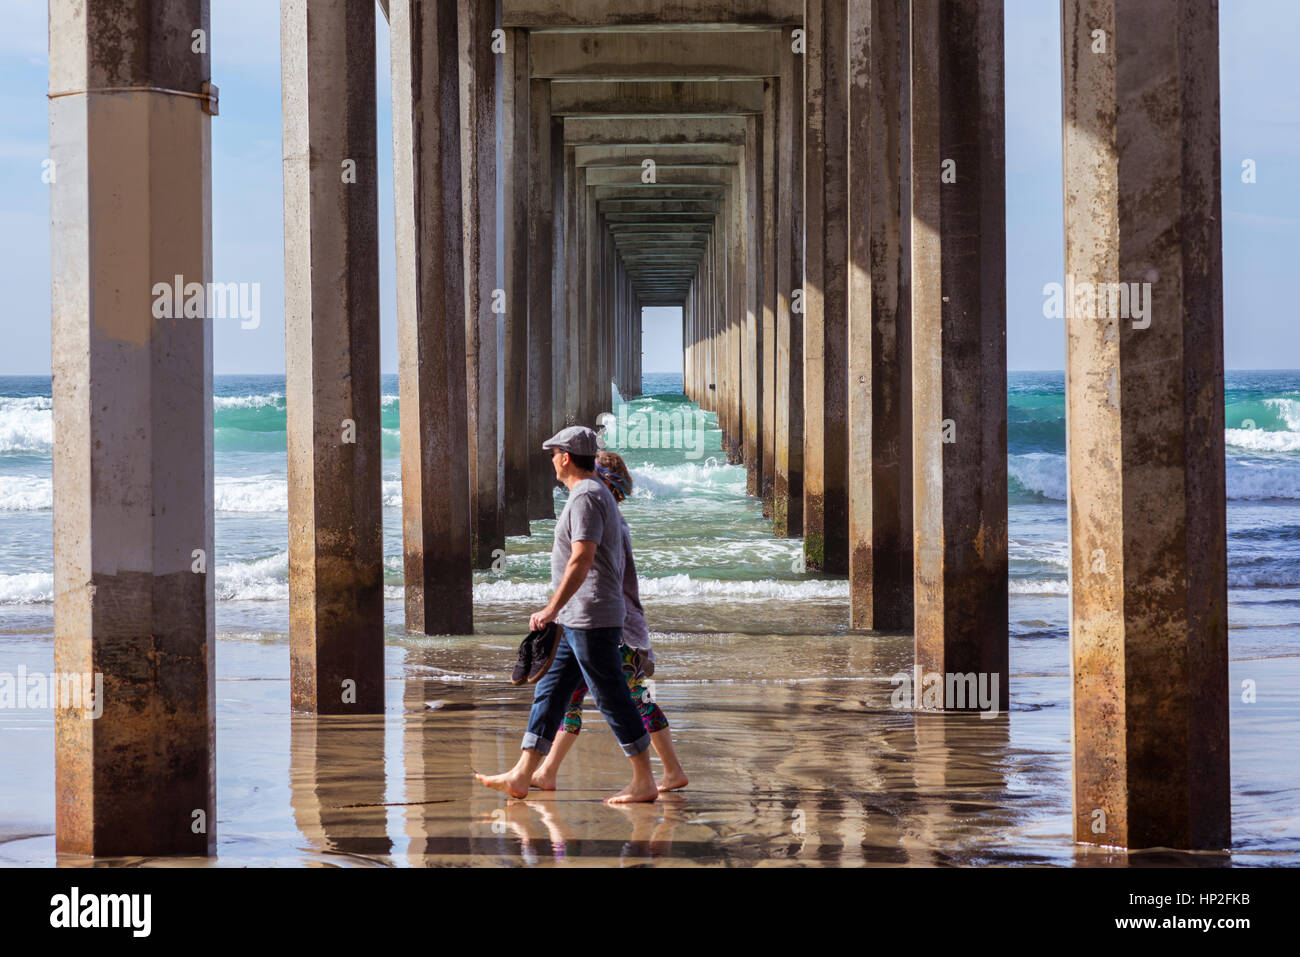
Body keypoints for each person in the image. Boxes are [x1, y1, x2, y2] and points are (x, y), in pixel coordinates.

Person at [475, 426, 659, 804]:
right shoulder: (588, 494)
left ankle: (645, 780)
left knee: (612, 697)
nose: (551, 460)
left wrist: (550, 608)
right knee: (551, 690)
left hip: (590, 617)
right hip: (577, 618)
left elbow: (582, 557)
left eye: (553, 452)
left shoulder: (586, 496)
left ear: (565, 457)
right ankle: (523, 775)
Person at [531, 450, 688, 793]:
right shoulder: (610, 515)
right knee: (580, 696)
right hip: (606, 624)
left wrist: (559, 608)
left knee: (631, 699)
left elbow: (595, 574)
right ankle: (546, 772)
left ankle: (670, 771)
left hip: (614, 629)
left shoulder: (604, 518)